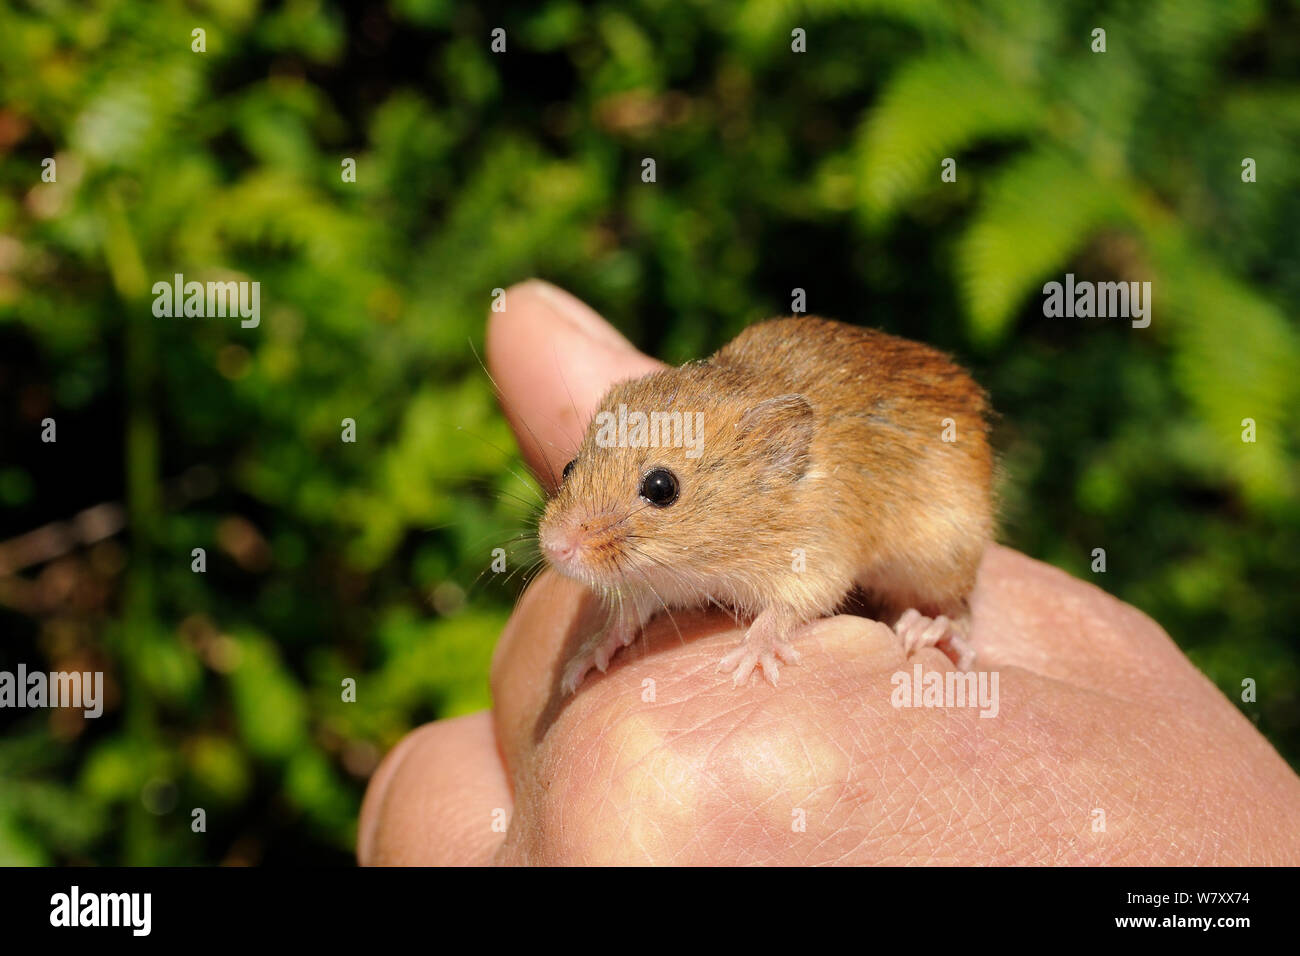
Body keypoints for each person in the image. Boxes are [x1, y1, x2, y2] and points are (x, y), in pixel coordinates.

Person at [358, 281, 1300, 865]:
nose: (567, 533)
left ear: (778, 464)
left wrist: (775, 624)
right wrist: (620, 618)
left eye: (653, 491)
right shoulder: (666, 456)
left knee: (930, 556)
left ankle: (947, 610)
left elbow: (822, 564)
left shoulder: (798, 493)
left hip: (919, 483)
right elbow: (621, 549)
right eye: (573, 479)